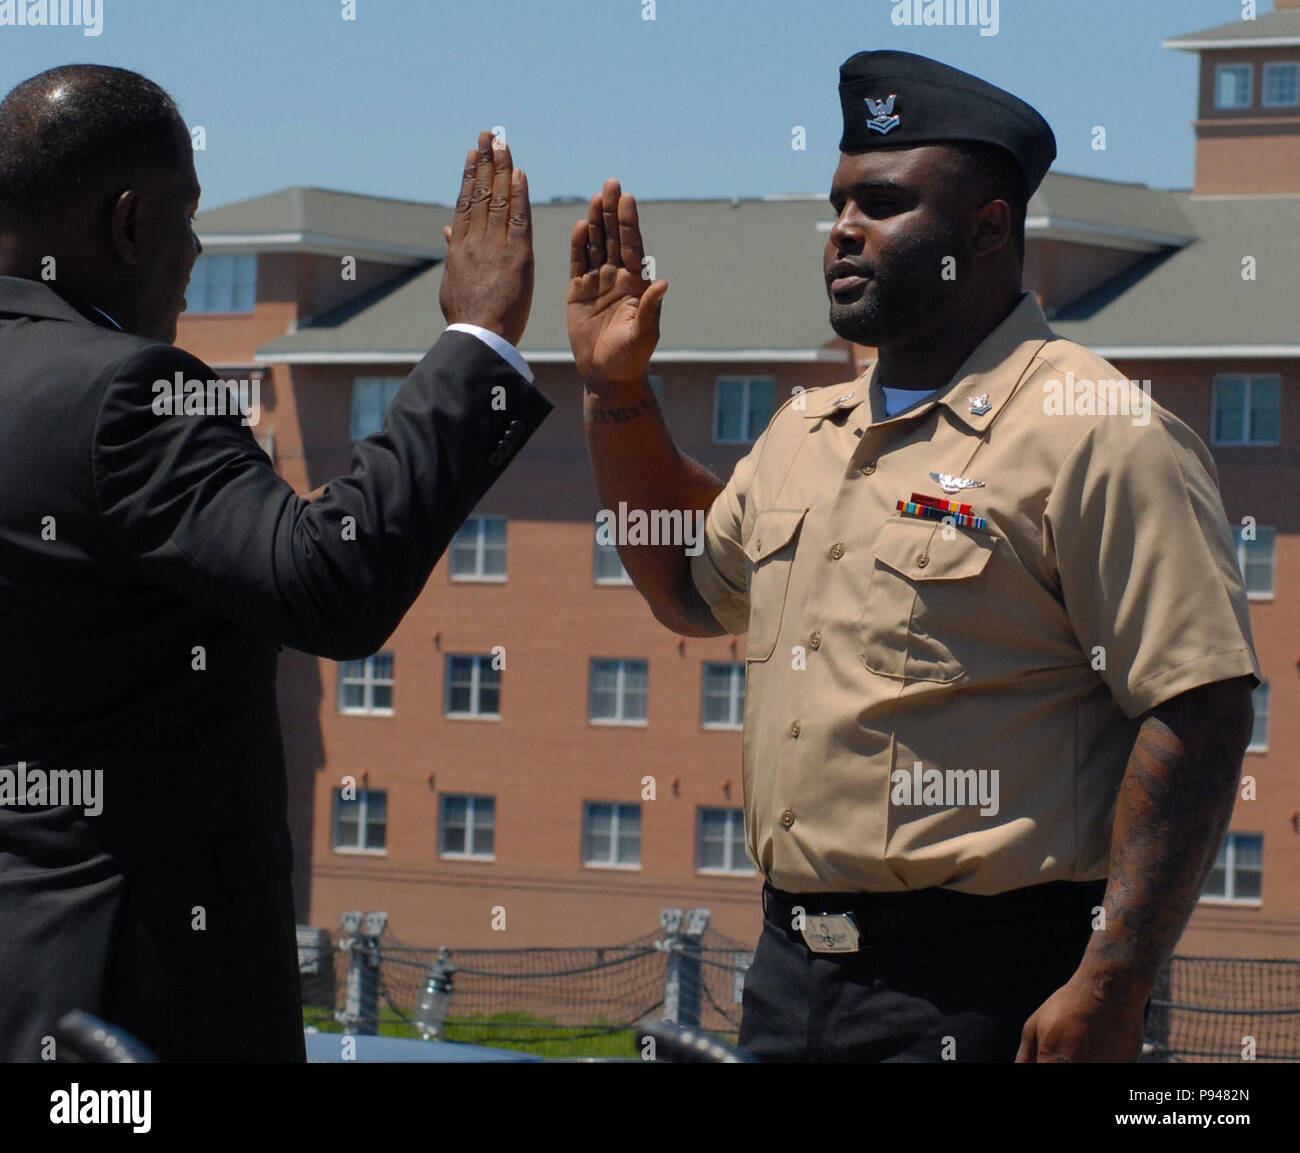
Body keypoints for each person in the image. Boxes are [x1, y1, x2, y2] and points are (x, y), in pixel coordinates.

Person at [568, 49, 1260, 1062]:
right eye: (839, 203)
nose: (844, 231)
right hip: (789, 974)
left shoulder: (1092, 429)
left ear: (987, 227)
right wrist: (615, 391)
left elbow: (1199, 706)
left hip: (990, 987)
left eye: (884, 204)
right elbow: (683, 585)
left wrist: (1116, 975)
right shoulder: (806, 433)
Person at [0, 65, 548, 1061]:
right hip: (131, 1005)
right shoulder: (126, 394)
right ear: (130, 225)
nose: (196, 249)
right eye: (187, 217)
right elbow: (326, 580)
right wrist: (476, 341)